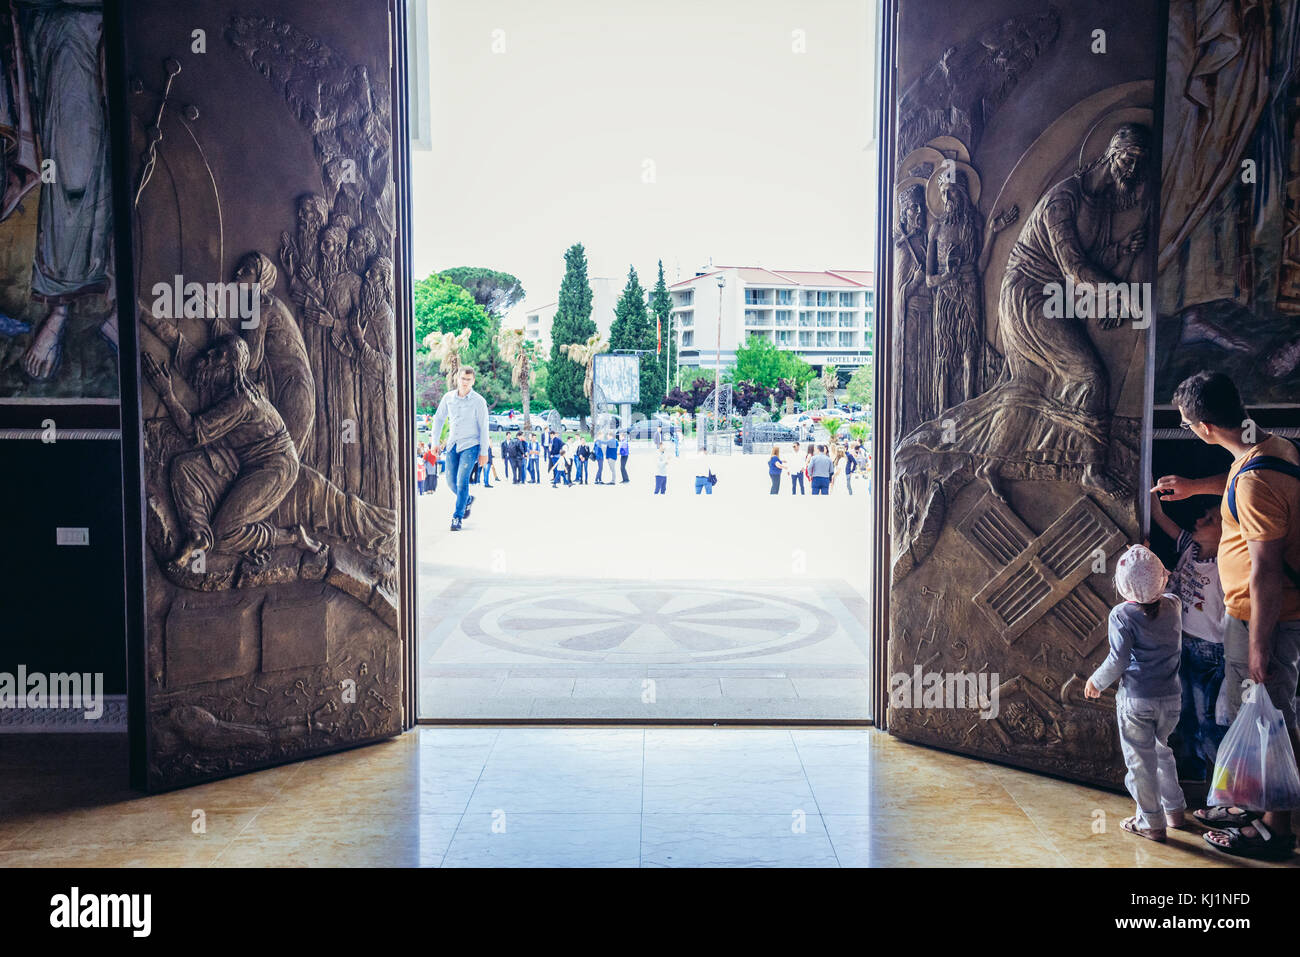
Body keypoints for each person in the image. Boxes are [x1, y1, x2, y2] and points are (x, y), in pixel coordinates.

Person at [1154, 370, 1300, 859]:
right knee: (1255, 716)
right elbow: (1240, 477)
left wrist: (1260, 647)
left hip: (1266, 620)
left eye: (1187, 422)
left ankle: (1278, 830)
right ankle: (1257, 807)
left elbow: (1266, 571)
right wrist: (1196, 486)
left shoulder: (1257, 481)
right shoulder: (1270, 448)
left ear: (1203, 427)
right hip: (1254, 617)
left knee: (1271, 718)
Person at [1085, 545, 1186, 842]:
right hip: (1171, 699)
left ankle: (1150, 822)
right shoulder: (1174, 604)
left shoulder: (1121, 615)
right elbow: (1157, 590)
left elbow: (1118, 659)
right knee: (1161, 751)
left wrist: (1096, 681)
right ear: (1163, 580)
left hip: (1137, 700)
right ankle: (1175, 810)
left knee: (1141, 763)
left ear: (1122, 586)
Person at [1150, 490, 1227, 781]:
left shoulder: (1226, 564)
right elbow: (1158, 516)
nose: (1200, 520)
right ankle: (1193, 769)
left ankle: (1221, 784)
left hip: (1211, 651)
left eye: (1211, 519)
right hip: (1183, 643)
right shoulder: (1189, 548)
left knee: (1209, 719)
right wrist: (1151, 491)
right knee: (1184, 713)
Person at [431, 365, 489, 531]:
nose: (465, 382)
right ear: (457, 379)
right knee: (450, 482)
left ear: (473, 381)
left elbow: (483, 427)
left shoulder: (479, 401)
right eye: (463, 379)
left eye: (468, 380)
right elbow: (439, 419)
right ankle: (467, 499)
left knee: (462, 481)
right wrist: (435, 442)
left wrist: (484, 452)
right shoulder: (448, 398)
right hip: (452, 445)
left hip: (471, 446)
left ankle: (457, 517)